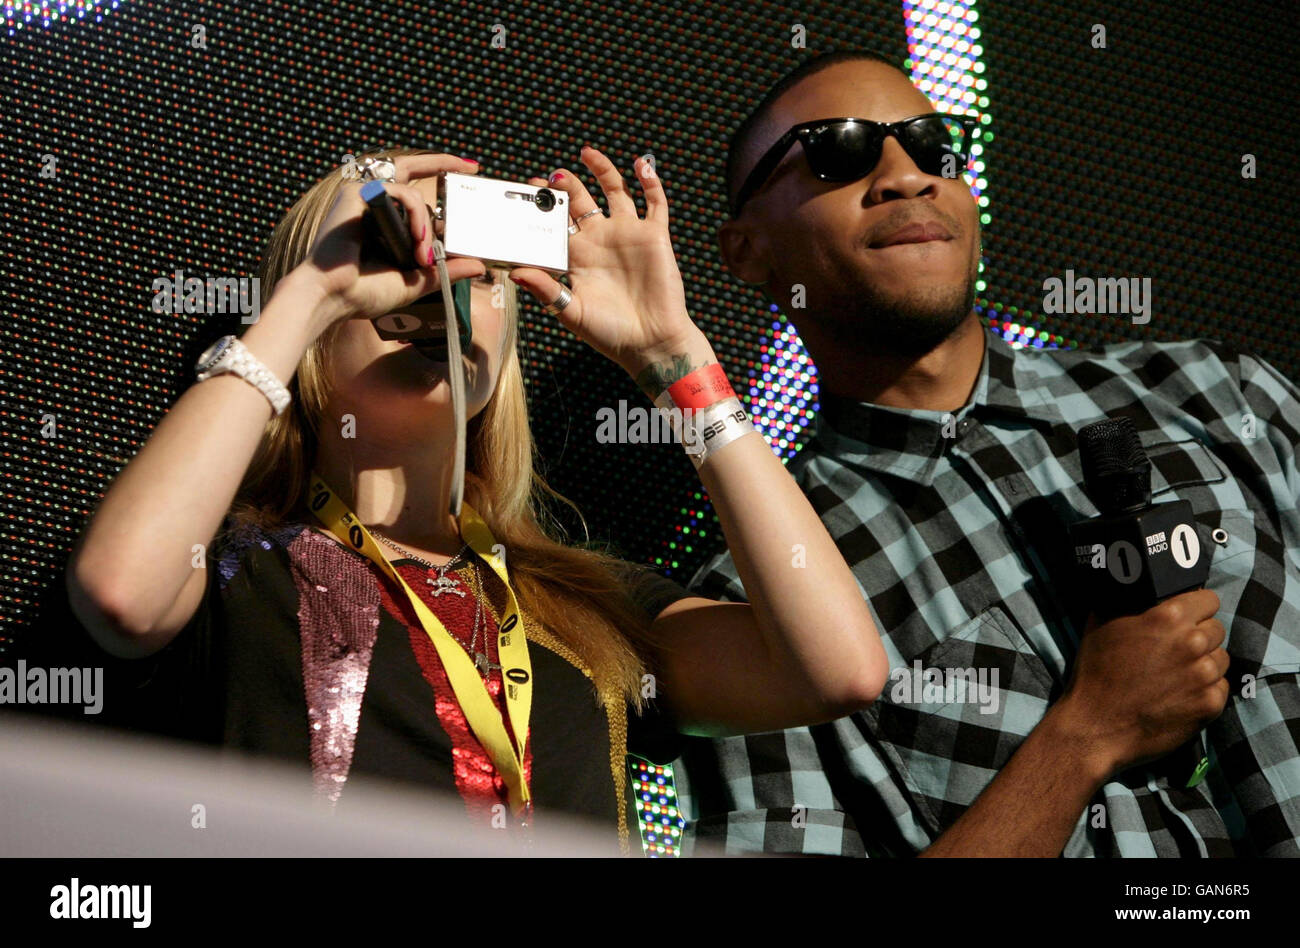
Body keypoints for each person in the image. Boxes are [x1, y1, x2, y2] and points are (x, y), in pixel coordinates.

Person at [61, 145, 890, 856]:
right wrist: (310, 294)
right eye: (394, 254)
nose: (435, 285)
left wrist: (676, 360)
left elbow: (837, 670)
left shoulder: (584, 604)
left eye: (477, 269)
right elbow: (120, 593)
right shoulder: (238, 570)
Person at [672, 50, 1300, 857]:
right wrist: (1084, 736)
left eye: (934, 147)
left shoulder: (1218, 393)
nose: (907, 178)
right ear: (748, 252)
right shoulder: (761, 613)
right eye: (842, 149)